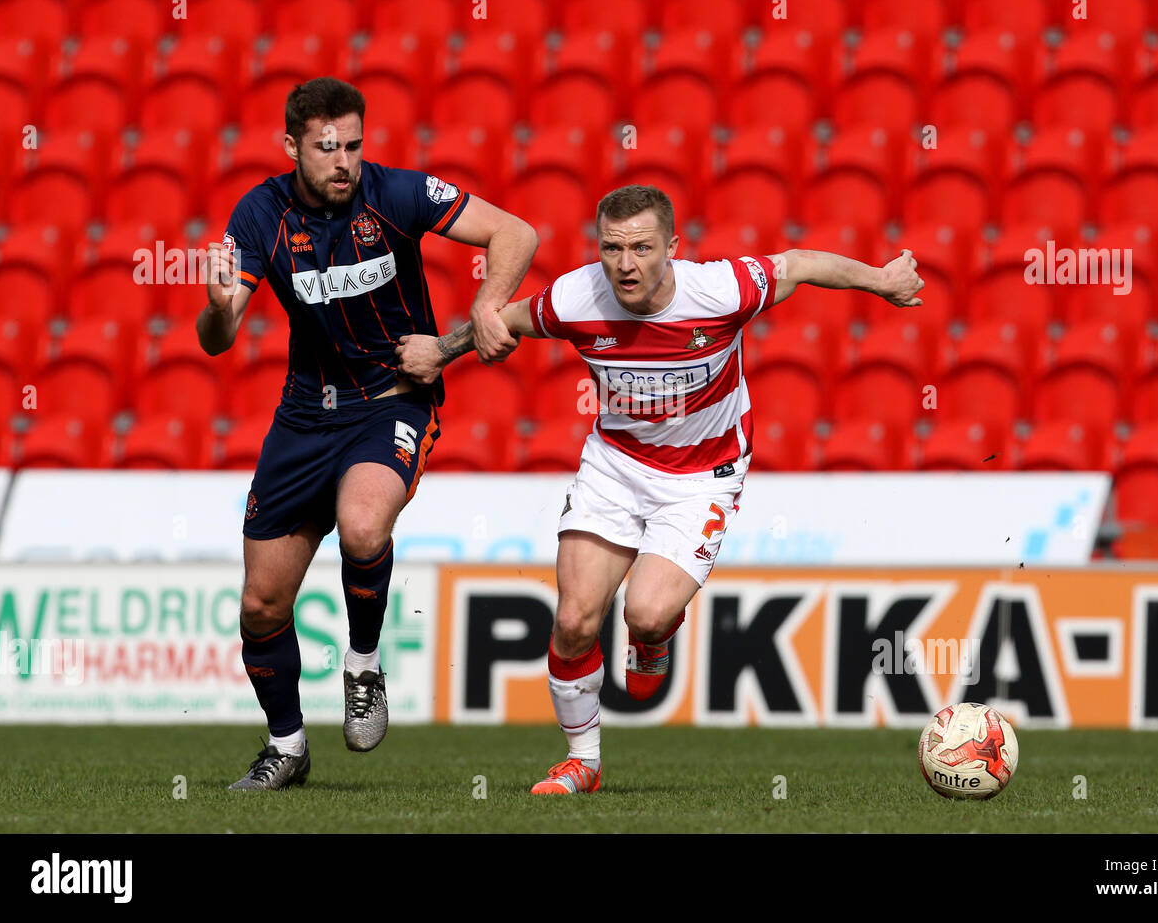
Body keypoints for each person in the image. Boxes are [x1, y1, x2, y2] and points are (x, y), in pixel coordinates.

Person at [395, 184, 923, 794]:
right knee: (572, 620)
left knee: (644, 614)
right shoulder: (576, 297)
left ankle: (651, 641)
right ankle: (582, 761)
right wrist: (447, 348)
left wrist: (881, 281)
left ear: (672, 248)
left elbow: (799, 264)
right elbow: (507, 320)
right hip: (615, 466)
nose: (625, 264)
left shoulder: (720, 291)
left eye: (642, 248)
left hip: (702, 477)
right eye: (612, 248)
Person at [197, 77, 538, 790]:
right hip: (302, 419)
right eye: (326, 148)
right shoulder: (260, 214)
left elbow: (517, 231)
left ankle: (361, 664)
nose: (344, 160)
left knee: (361, 526)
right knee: (261, 605)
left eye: (353, 144)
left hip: (393, 403)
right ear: (291, 146)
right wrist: (218, 308)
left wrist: (481, 308)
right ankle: (287, 746)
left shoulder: (398, 193)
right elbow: (218, 338)